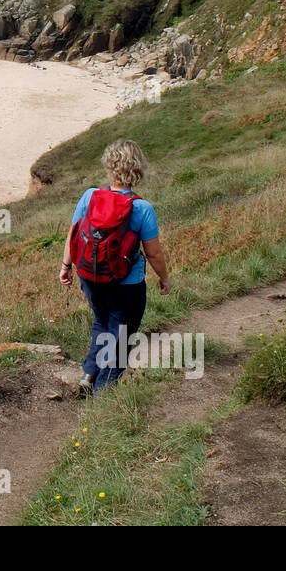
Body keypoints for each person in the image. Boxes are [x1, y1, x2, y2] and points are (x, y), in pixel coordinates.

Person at [60, 139, 171, 396]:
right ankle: (103, 398)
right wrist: (164, 278)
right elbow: (153, 253)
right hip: (127, 285)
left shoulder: (90, 196)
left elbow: (73, 235)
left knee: (101, 321)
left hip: (91, 278)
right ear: (137, 169)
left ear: (110, 166)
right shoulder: (142, 208)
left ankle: (89, 375)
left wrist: (66, 266)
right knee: (121, 339)